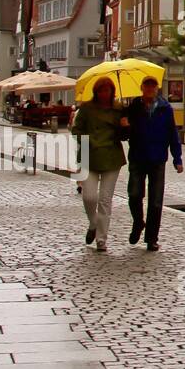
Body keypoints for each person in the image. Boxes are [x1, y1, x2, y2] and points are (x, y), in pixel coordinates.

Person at [125, 76, 183, 252]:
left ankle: (152, 238)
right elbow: (123, 133)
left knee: (156, 201)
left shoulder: (165, 109)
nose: (150, 89)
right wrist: (124, 125)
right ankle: (138, 222)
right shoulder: (134, 108)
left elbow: (172, 133)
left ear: (157, 89)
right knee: (134, 194)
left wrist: (177, 158)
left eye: (153, 86)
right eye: (147, 86)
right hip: (137, 156)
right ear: (141, 87)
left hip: (158, 158)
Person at [71, 77, 128, 252]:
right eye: (102, 91)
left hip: (111, 157)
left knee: (105, 200)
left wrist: (125, 127)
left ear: (112, 92)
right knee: (89, 197)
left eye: (108, 91)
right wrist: (88, 141)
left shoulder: (119, 109)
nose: (105, 94)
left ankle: (101, 239)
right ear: (97, 92)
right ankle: (93, 223)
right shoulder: (86, 108)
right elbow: (76, 130)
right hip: (90, 156)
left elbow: (125, 136)